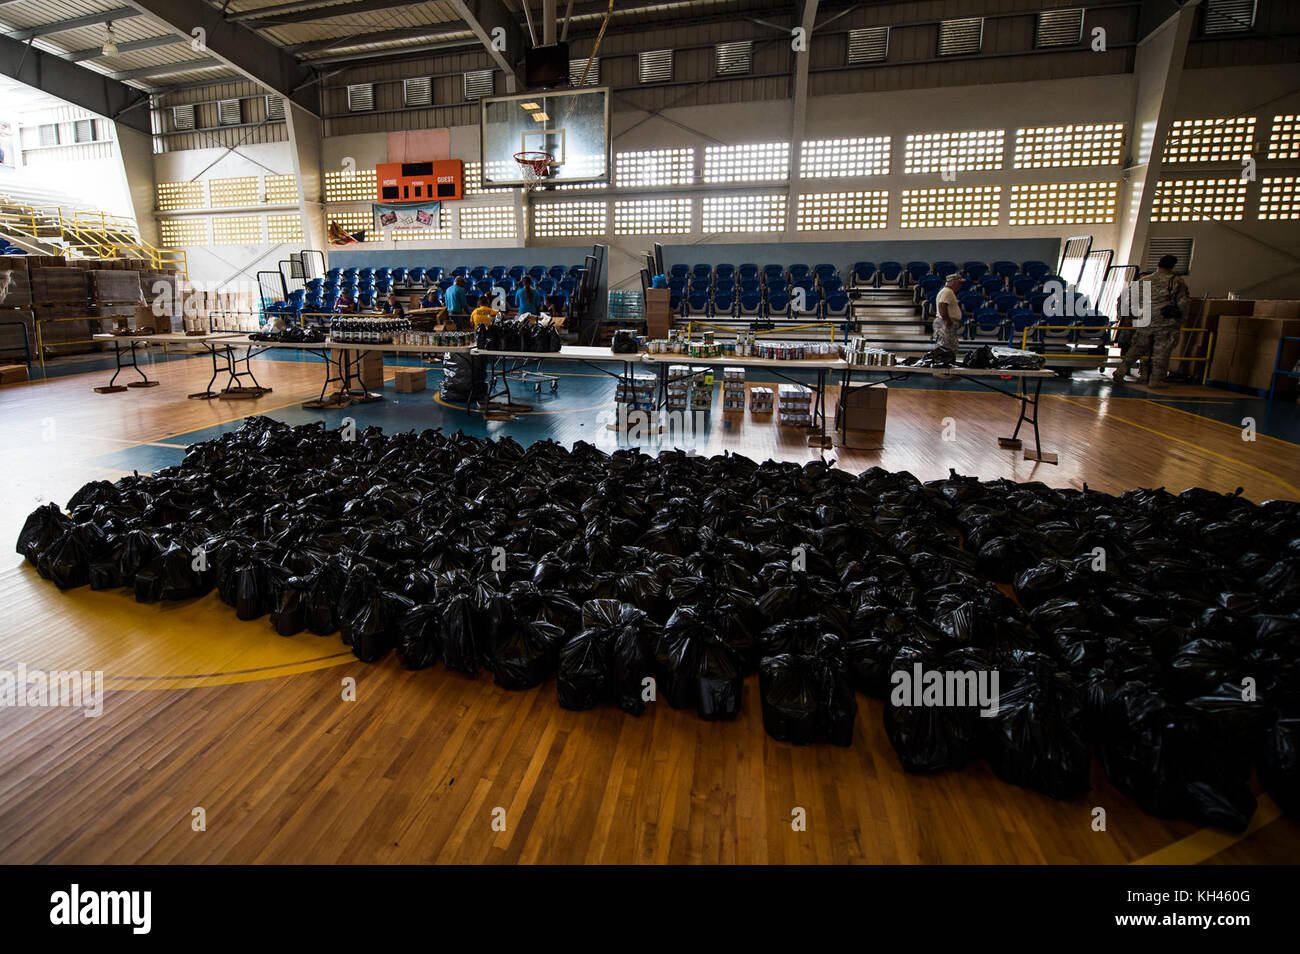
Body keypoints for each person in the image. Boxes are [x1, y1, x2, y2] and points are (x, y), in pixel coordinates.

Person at [1113, 254, 1188, 389]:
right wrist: (1182, 318)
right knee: (1161, 351)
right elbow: (1183, 302)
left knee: (1137, 348)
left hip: (1145, 319)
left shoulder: (1143, 280)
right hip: (1165, 322)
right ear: (1172, 266)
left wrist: (1133, 316)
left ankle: (1121, 371)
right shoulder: (1176, 281)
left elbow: (1129, 299)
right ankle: (1156, 380)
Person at [933, 273, 964, 353]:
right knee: (947, 345)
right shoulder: (947, 292)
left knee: (948, 343)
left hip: (945, 322)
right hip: (945, 323)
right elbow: (942, 305)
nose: (960, 286)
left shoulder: (947, 291)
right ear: (953, 283)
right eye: (959, 283)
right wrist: (947, 320)